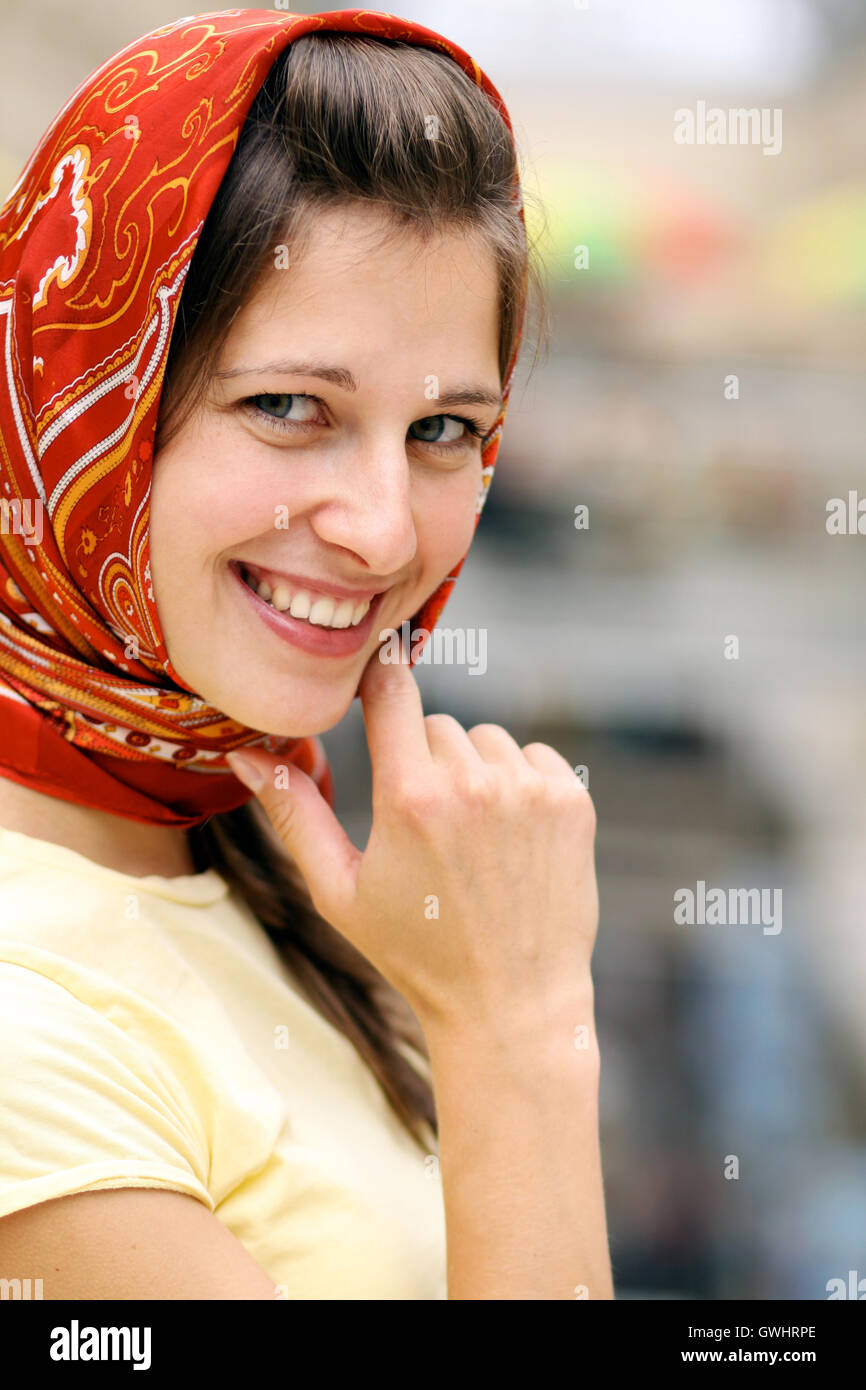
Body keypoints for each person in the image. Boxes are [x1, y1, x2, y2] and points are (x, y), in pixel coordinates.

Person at [0, 9, 612, 1300]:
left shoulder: (256, 842)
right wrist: (518, 1034)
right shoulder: (22, 1018)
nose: (385, 529)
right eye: (289, 407)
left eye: (444, 427)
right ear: (80, 394)